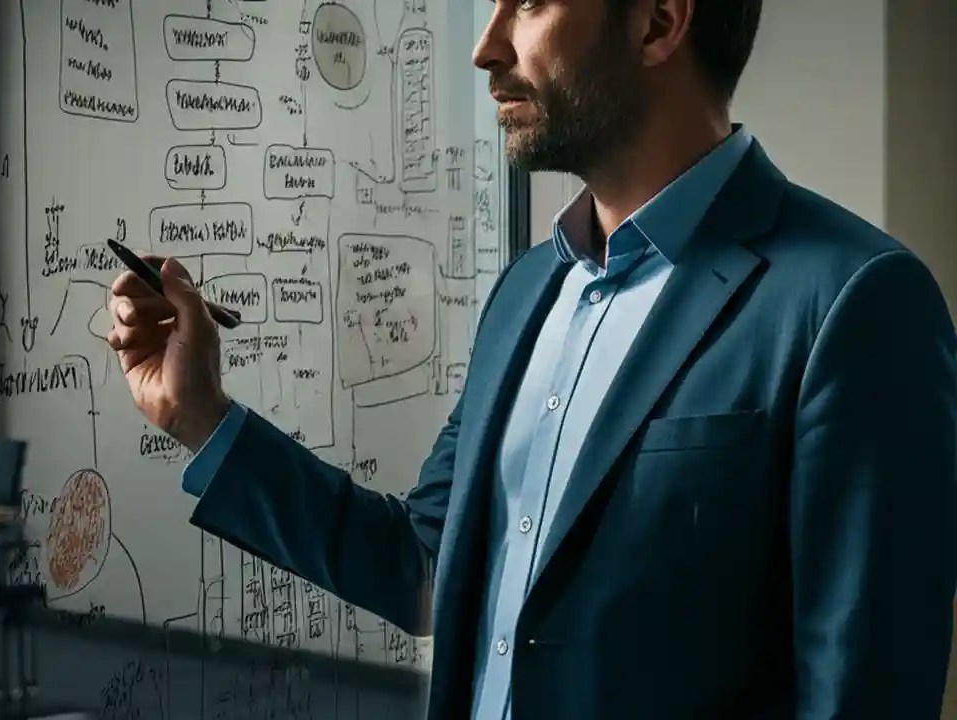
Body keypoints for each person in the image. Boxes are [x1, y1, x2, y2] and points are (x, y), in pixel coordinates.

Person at [105, 0, 957, 716]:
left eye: (531, 4)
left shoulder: (855, 301)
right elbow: (425, 564)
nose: (486, 46)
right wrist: (201, 416)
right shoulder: (526, 291)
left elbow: (863, 695)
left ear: (658, 23)